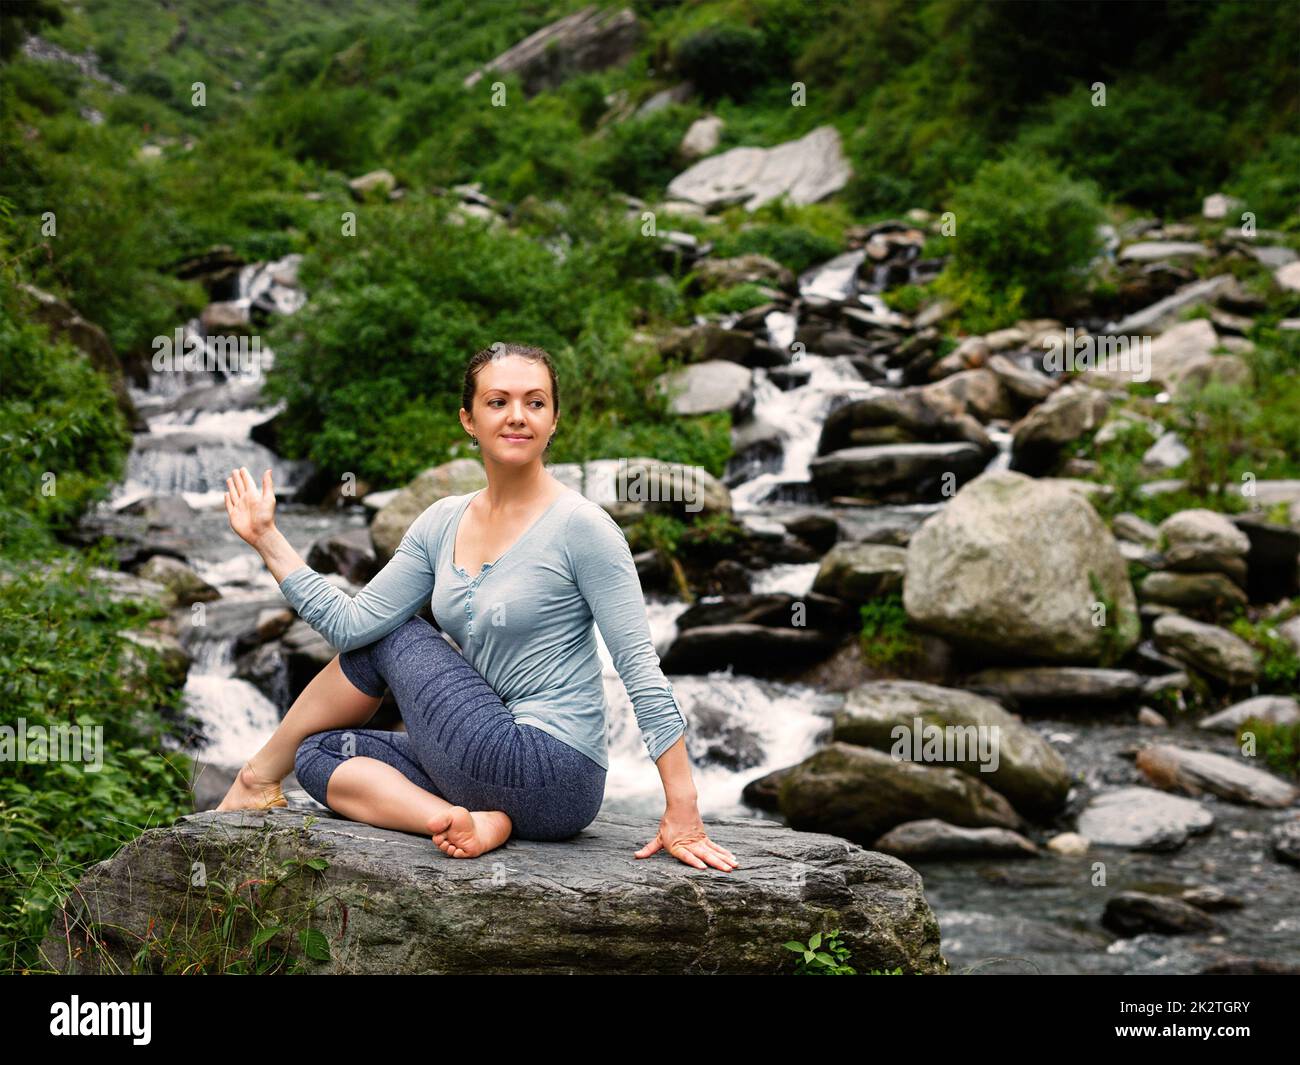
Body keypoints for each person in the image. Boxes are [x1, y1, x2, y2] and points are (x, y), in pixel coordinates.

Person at [217, 343, 738, 873]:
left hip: (554, 769)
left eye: (535, 402)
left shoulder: (584, 528)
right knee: (321, 754)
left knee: (394, 635)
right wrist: (267, 539)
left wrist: (683, 807)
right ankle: (466, 820)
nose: (517, 415)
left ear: (554, 420)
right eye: (498, 401)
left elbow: (639, 667)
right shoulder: (442, 521)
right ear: (469, 419)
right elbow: (350, 625)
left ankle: (256, 780)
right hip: (478, 760)